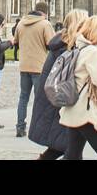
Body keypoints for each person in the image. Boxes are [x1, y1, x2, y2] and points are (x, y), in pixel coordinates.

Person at [58, 15, 97, 160]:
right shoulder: (93, 52)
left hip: (76, 107)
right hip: (86, 109)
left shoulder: (81, 48)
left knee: (73, 153)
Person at [28, 9, 88, 160]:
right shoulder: (66, 47)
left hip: (57, 99)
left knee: (65, 145)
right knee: (69, 145)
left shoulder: (64, 43)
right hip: (58, 101)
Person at [12, 1, 56, 136]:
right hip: (39, 66)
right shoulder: (45, 24)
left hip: (24, 65)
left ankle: (20, 127)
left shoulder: (21, 23)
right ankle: (40, 127)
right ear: (45, 13)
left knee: (23, 97)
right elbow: (51, 43)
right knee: (40, 99)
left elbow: (16, 41)